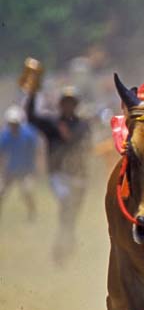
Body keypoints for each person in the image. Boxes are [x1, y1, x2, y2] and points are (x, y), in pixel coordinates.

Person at [26, 85, 91, 264]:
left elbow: (82, 145)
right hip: (58, 175)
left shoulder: (82, 125)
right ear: (61, 104)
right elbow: (31, 117)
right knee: (66, 205)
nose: (68, 106)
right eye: (65, 102)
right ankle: (61, 249)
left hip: (78, 176)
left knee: (71, 215)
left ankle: (67, 242)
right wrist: (32, 93)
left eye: (71, 103)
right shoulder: (52, 124)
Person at [0, 105, 39, 221]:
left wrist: (34, 170)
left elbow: (35, 152)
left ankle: (32, 214)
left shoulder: (29, 134)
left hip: (26, 171)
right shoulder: (5, 136)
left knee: (27, 193)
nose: (13, 126)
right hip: (10, 171)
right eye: (11, 123)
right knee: (1, 193)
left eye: (15, 123)